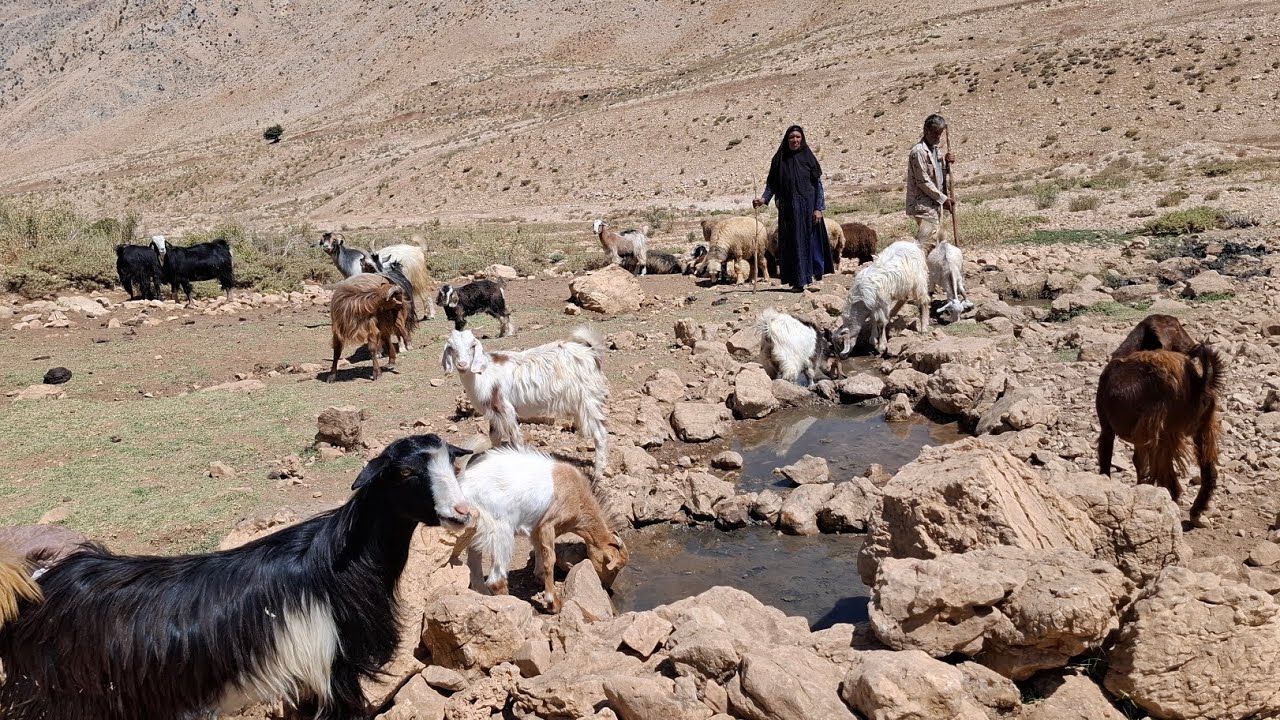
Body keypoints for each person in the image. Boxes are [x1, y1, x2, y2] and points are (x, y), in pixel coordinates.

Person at [753, 125, 833, 292]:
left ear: (802, 139)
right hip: (788, 210)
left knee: (810, 243)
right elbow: (771, 186)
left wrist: (818, 208)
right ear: (786, 139)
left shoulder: (808, 157)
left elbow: (818, 185)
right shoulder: (779, 160)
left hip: (808, 209)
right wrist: (762, 199)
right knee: (793, 244)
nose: (795, 140)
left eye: (798, 137)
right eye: (792, 137)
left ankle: (812, 279)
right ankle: (797, 282)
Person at [906, 114, 955, 254]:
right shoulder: (918, 152)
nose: (937, 137)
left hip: (935, 205)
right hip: (923, 205)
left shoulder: (936, 151)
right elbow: (923, 181)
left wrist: (947, 163)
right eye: (934, 132)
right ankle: (922, 269)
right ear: (925, 130)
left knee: (937, 238)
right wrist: (943, 199)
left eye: (939, 133)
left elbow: (938, 176)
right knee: (929, 241)